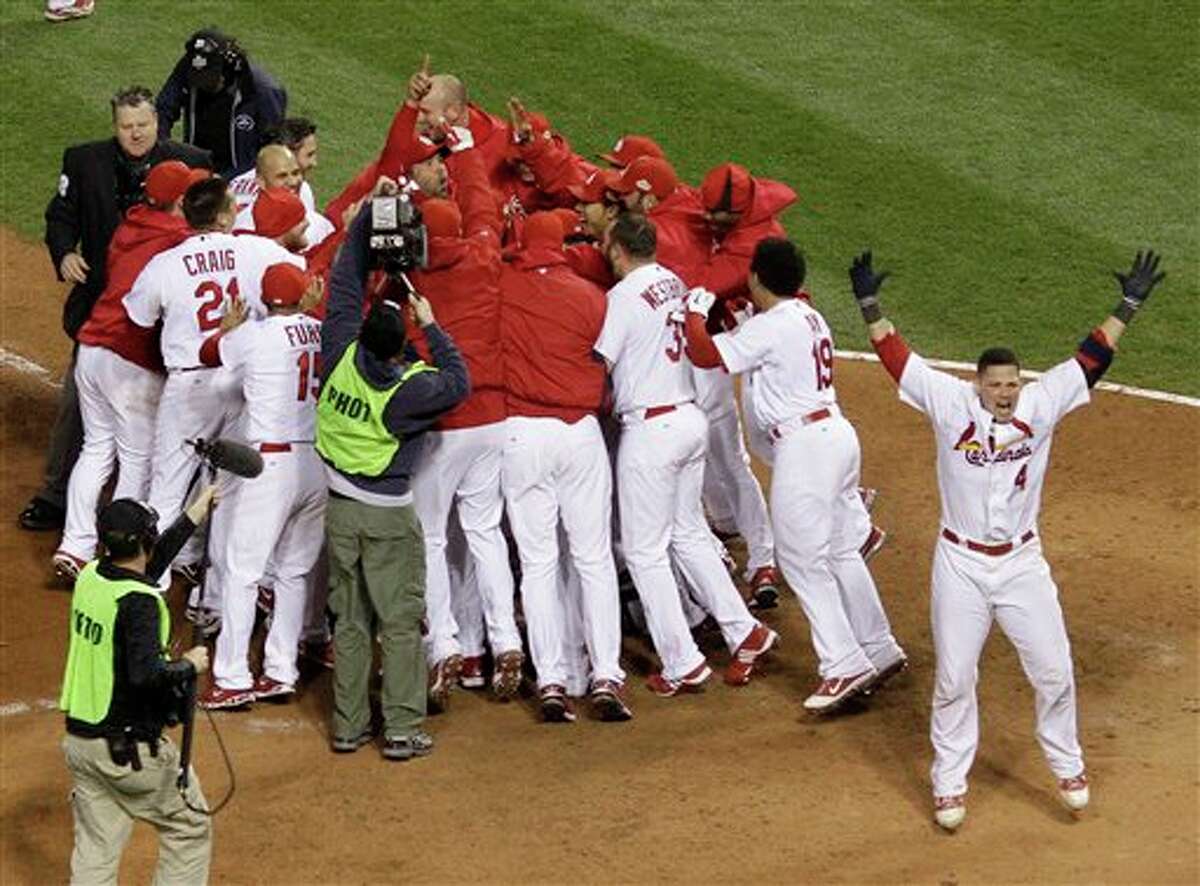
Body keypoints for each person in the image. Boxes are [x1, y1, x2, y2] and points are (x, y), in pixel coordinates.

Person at [846, 247, 1167, 830]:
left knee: (1053, 667)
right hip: (960, 565)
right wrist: (870, 304)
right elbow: (898, 359)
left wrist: (1128, 305)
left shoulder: (1040, 405)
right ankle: (948, 782)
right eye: (996, 384)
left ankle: (1067, 764)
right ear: (977, 384)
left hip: (1022, 563)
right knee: (953, 676)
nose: (1006, 392)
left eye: (1013, 384)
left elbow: (1089, 361)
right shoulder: (950, 403)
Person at [684, 238, 907, 714]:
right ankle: (878, 645)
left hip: (806, 450)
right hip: (837, 437)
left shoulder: (773, 325)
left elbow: (705, 356)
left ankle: (843, 663)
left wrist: (694, 313)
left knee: (802, 560)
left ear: (756, 278)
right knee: (841, 550)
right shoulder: (808, 317)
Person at [593, 212, 776, 696]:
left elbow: (600, 366)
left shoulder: (622, 297)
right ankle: (745, 631)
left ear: (618, 251)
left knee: (644, 550)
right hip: (688, 420)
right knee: (689, 534)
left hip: (652, 431)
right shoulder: (672, 282)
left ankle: (682, 662)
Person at [317, 205, 470, 761]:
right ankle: (402, 729)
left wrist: (365, 223)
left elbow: (342, 282)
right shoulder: (407, 391)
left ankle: (348, 726)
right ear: (398, 346)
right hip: (386, 518)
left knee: (351, 623)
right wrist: (430, 324)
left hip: (340, 512)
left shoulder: (337, 355)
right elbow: (459, 381)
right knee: (401, 623)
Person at [22, 85, 208, 534]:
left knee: (172, 409)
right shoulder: (84, 161)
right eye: (127, 127)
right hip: (103, 308)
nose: (136, 134)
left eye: (143, 124)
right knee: (78, 410)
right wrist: (65, 252)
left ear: (157, 123)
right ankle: (55, 494)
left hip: (169, 317)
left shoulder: (193, 163)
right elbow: (60, 216)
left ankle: (163, 510)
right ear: (115, 127)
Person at [123, 177, 303, 587]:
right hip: (242, 382)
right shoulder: (254, 249)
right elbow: (299, 274)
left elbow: (138, 319)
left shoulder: (165, 264)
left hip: (191, 387)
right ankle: (216, 594)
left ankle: (152, 584)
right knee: (232, 489)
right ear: (223, 215)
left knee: (167, 488)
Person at [499, 212, 630, 723]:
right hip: (580, 435)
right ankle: (605, 675)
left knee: (537, 562)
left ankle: (552, 678)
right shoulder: (592, 297)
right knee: (594, 558)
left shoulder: (503, 285)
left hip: (522, 435)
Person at [52, 160, 209, 580]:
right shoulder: (176, 238)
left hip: (92, 351)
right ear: (179, 201)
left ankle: (75, 545)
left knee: (97, 448)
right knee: (136, 459)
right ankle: (116, 555)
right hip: (129, 361)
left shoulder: (133, 221)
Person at [59, 485, 219, 885]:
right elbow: (146, 673)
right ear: (145, 540)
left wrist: (193, 515)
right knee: (188, 828)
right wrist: (187, 665)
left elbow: (145, 566)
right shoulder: (140, 603)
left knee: (97, 847)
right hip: (128, 753)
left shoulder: (91, 576)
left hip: (81, 745)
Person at [195, 264, 327, 708]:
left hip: (269, 466)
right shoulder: (321, 329)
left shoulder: (254, 335)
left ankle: (232, 677)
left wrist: (227, 330)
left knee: (243, 571)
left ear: (266, 300)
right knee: (293, 571)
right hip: (317, 464)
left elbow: (215, 368)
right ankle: (280, 669)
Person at [156, 27, 287, 177]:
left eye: (210, 79)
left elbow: (272, 150)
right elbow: (163, 109)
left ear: (227, 68)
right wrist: (161, 150)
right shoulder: (191, 65)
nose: (203, 86)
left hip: (244, 177)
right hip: (199, 168)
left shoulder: (264, 91)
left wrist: (228, 179)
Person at [230, 117, 320, 212]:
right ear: (287, 154)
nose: (314, 163)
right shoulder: (251, 195)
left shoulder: (302, 189)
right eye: (309, 155)